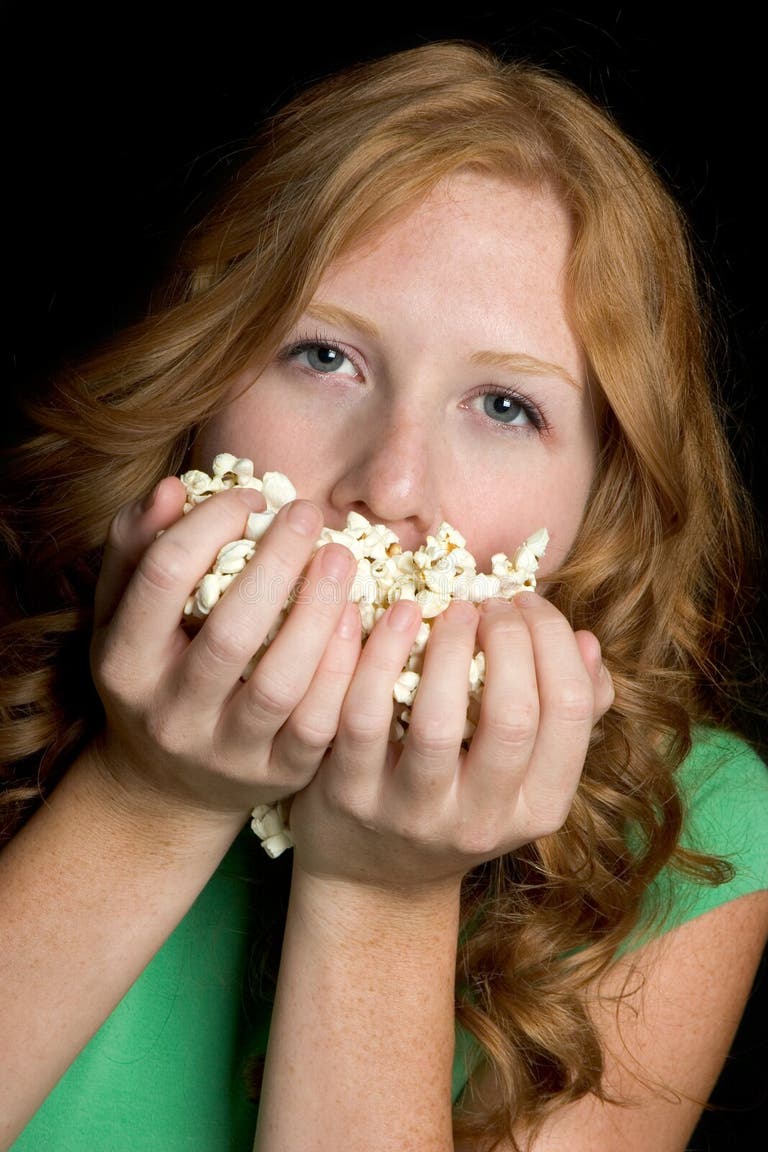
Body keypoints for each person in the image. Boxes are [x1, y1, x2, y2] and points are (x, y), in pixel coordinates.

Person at [1, 39, 766, 1152]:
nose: (391, 488)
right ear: (201, 384)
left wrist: (387, 895)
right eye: (323, 358)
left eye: (504, 407)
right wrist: (149, 794)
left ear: (602, 501)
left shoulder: (698, 836)